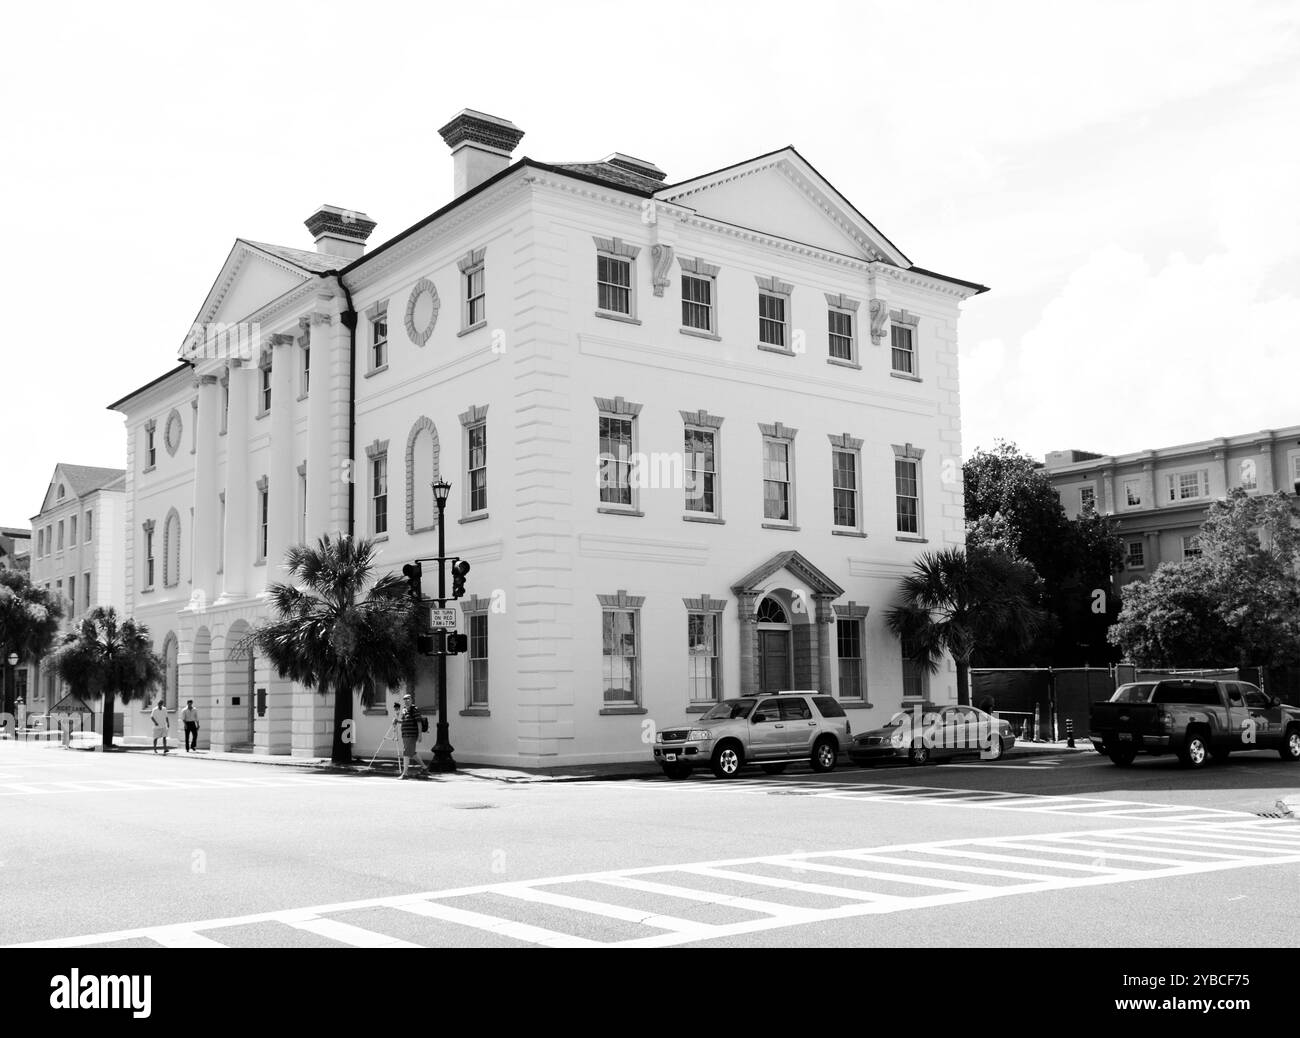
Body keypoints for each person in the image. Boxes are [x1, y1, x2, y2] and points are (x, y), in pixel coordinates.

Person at [398, 694, 428, 779]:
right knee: (412, 753)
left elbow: (419, 723)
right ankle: (424, 768)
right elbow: (404, 721)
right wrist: (397, 721)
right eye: (405, 699)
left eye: (408, 699)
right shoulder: (404, 710)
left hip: (411, 735)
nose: (406, 700)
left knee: (406, 753)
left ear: (411, 700)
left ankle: (405, 774)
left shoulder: (414, 710)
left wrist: (420, 735)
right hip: (405, 734)